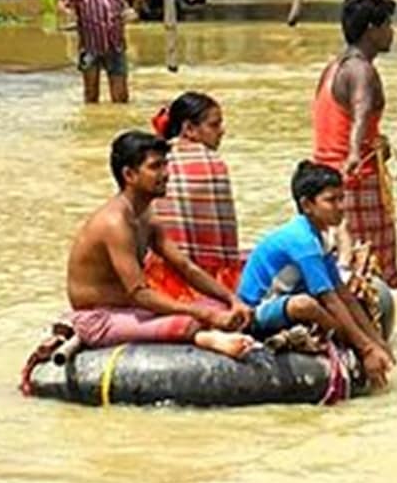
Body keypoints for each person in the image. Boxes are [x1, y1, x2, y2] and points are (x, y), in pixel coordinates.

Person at [62, 131, 255, 356]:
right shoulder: (114, 223)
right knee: (188, 321)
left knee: (217, 308)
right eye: (155, 167)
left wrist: (232, 299)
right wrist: (201, 314)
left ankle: (210, 331)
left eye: (166, 165)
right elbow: (139, 294)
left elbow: (186, 267)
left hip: (131, 311)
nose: (166, 174)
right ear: (129, 175)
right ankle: (210, 340)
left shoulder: (146, 217)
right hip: (98, 318)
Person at [236, 161, 396, 389]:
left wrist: (378, 342)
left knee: (345, 296)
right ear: (307, 205)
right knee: (306, 305)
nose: (341, 206)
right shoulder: (302, 240)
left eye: (342, 198)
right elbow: (329, 299)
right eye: (331, 200)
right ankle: (346, 341)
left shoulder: (318, 237)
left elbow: (342, 293)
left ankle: (349, 339)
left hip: (285, 299)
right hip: (256, 312)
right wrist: (365, 348)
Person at [313, 0, 397, 292]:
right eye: (388, 24)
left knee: (345, 263)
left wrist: (378, 142)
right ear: (372, 29)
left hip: (325, 177)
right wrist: (355, 152)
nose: (392, 32)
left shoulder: (334, 67)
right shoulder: (362, 70)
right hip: (356, 181)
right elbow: (361, 112)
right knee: (377, 273)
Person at [144, 92, 247, 301]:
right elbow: (225, 245)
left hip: (160, 277)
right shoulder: (213, 163)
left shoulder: (154, 160)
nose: (222, 131)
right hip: (211, 281)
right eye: (214, 125)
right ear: (189, 129)